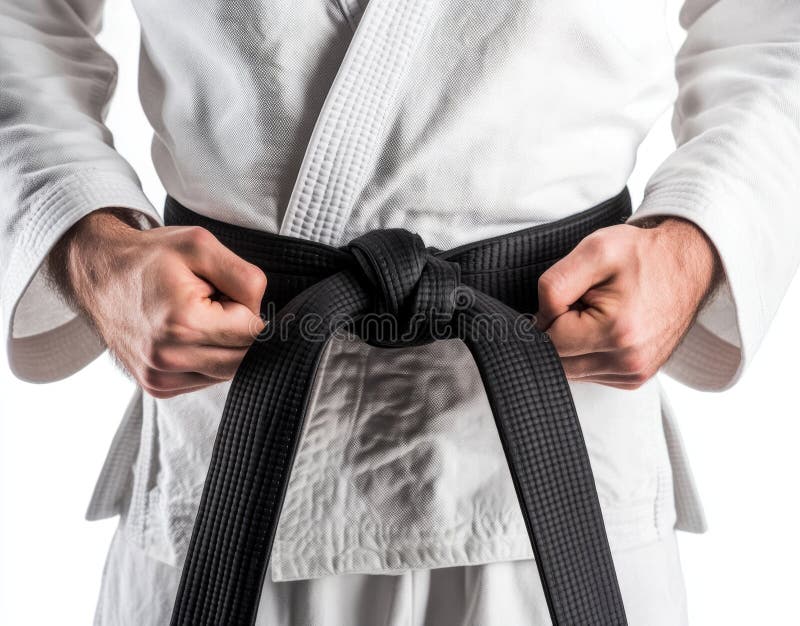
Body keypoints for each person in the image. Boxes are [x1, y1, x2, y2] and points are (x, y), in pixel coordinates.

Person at [1, 0, 799, 624]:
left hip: (552, 456)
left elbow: (775, 32)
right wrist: (90, 249)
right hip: (230, 443)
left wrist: (697, 240)